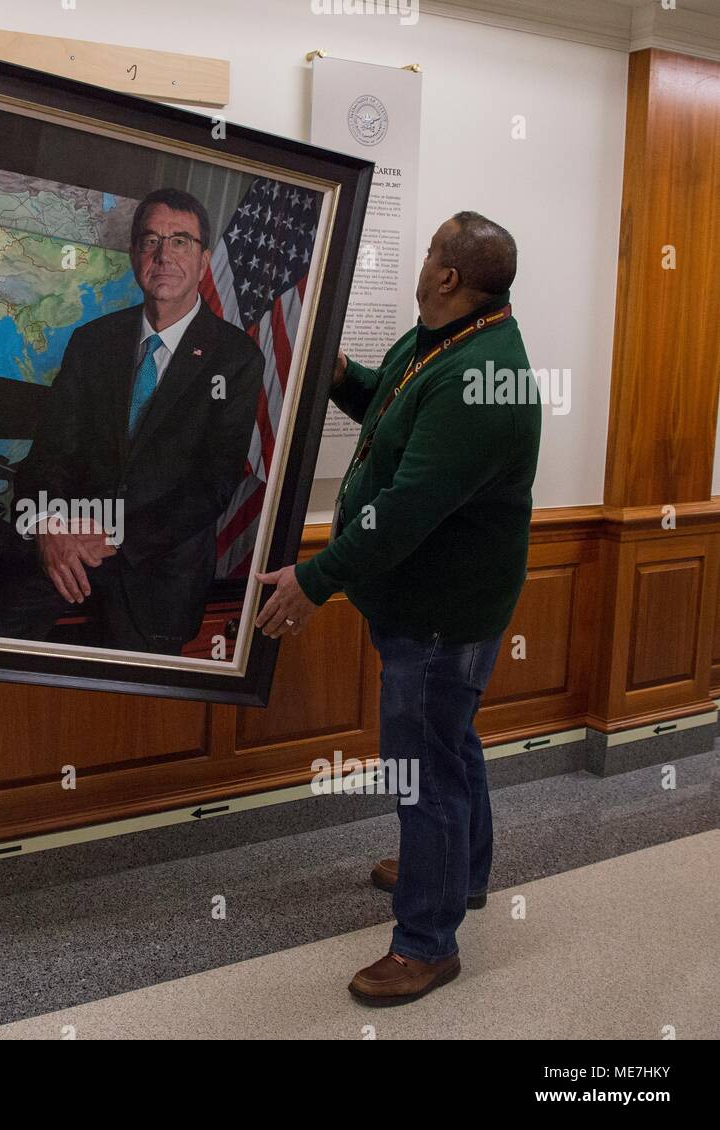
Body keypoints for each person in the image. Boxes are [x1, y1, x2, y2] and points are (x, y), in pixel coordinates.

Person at [255, 211, 541, 1005]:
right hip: (426, 603)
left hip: (440, 614)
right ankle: (460, 874)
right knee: (450, 748)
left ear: (447, 275)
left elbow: (410, 502)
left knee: (425, 775)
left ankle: (427, 943)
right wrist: (342, 373)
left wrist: (315, 581)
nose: (422, 263)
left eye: (428, 252)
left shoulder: (486, 375)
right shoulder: (438, 340)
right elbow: (389, 414)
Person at [0, 188, 264, 654]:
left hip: (156, 574)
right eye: (150, 241)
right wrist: (48, 522)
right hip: (67, 553)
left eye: (180, 242)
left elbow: (212, 484)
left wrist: (111, 533)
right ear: (134, 254)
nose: (163, 255)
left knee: (134, 722)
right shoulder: (93, 342)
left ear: (205, 259)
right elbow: (49, 456)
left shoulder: (235, 359)